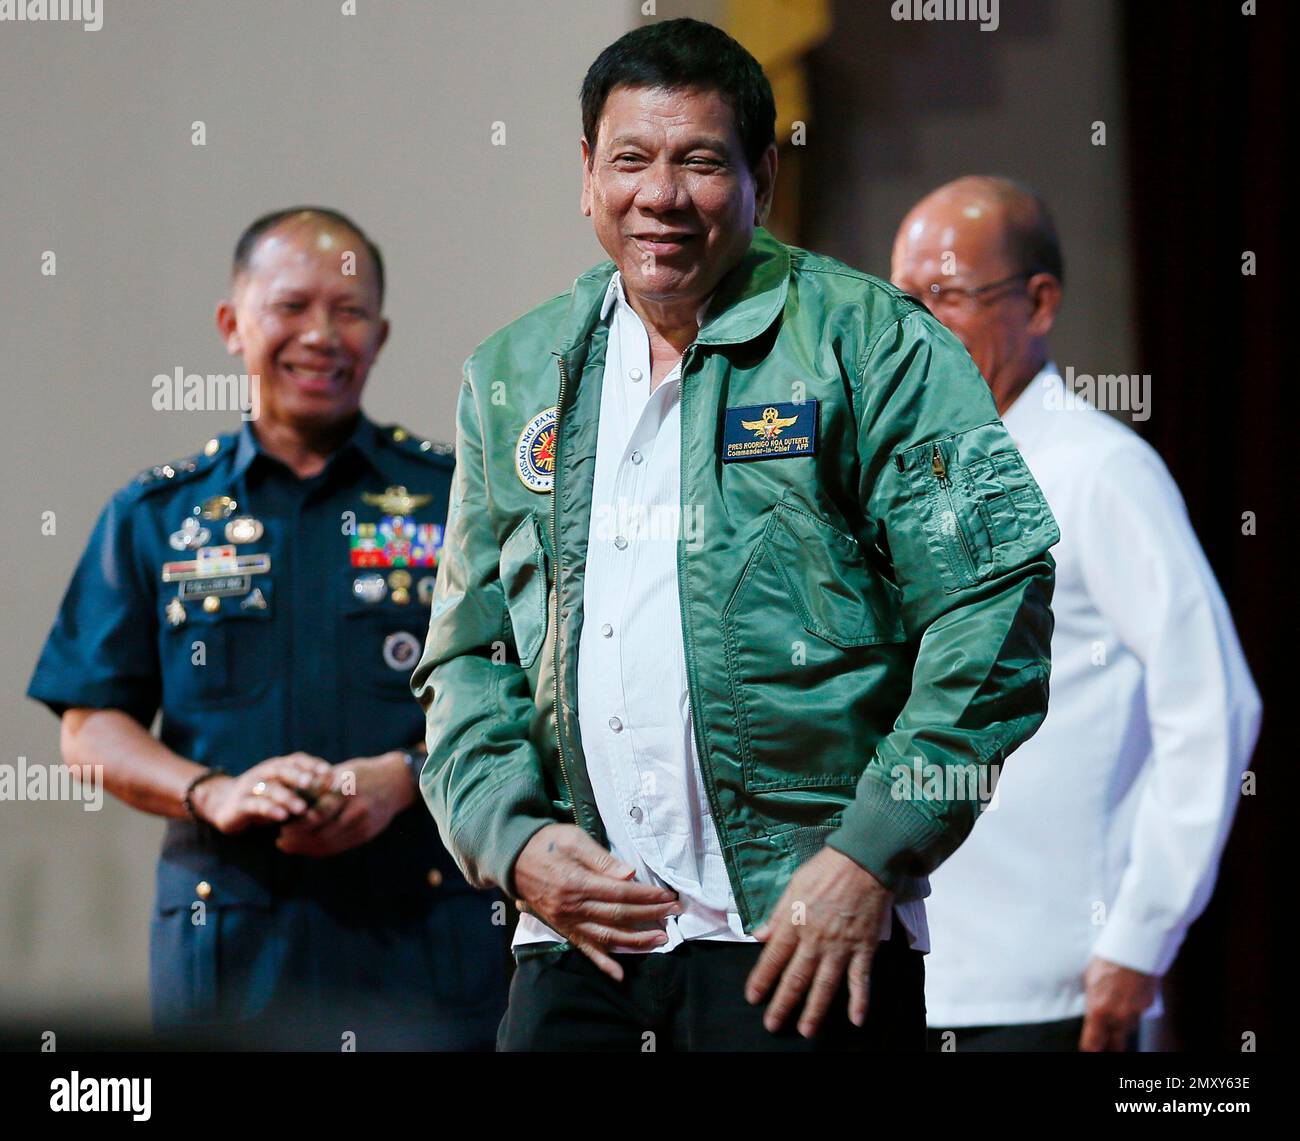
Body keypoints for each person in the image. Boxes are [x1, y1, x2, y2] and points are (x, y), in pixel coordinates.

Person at [411, 20, 1060, 1052]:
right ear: (587, 174)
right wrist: (514, 842)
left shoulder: (870, 342)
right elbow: (467, 656)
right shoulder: (515, 374)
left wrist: (871, 851)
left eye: (701, 162)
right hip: (578, 947)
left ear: (762, 173)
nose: (660, 195)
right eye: (630, 159)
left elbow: (994, 609)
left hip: (802, 938)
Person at [29, 207, 507, 1050]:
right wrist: (211, 791)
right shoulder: (158, 513)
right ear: (232, 324)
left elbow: (523, 689)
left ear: (379, 336)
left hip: (426, 933)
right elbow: (90, 726)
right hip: (232, 941)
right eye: (291, 306)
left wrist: (406, 776)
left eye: (349, 311)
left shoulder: (458, 500)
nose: (321, 334)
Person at [890, 176, 1262, 1052]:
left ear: (1040, 302)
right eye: (900, 298)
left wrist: (1141, 934)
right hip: (914, 972)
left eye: (945, 295)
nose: (914, 328)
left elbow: (1212, 705)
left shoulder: (1100, 471)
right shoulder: (900, 472)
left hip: (1055, 983)